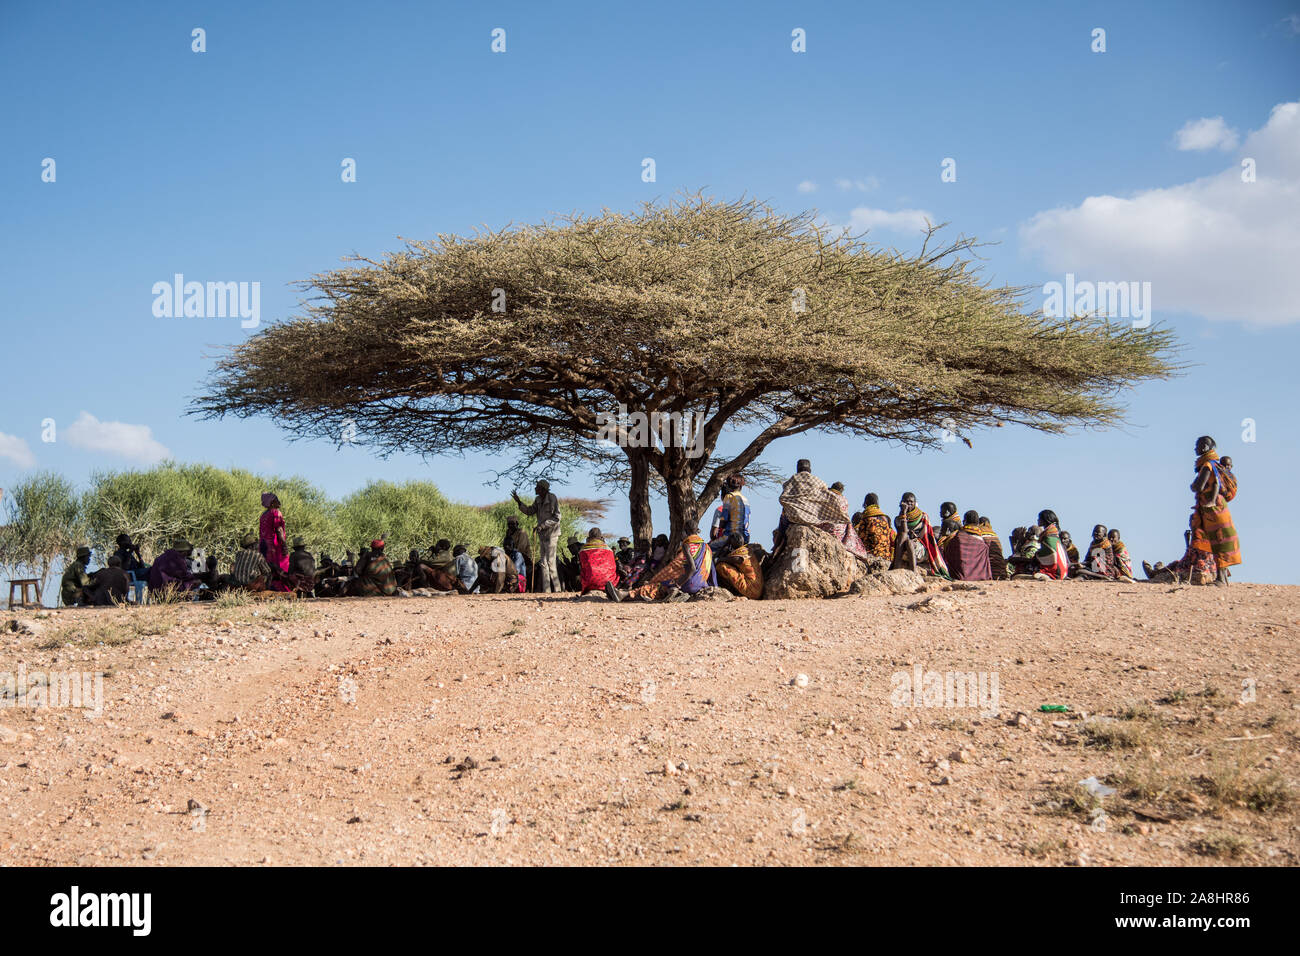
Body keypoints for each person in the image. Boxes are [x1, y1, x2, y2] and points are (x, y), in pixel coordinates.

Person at [775, 459, 870, 559]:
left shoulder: (792, 480)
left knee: (782, 519)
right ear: (810, 469)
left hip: (793, 519)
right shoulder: (817, 481)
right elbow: (824, 494)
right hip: (812, 520)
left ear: (797, 468)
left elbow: (783, 496)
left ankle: (777, 547)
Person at [605, 526, 715, 602]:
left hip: (687, 584)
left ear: (686, 532)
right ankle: (623, 594)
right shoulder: (707, 548)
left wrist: (662, 580)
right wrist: (714, 587)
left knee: (657, 586)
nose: (681, 536)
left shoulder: (688, 546)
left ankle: (624, 595)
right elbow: (712, 572)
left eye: (682, 532)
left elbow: (674, 567)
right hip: (701, 585)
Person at [1189, 435, 1240, 586]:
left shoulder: (1208, 465)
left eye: (1197, 445)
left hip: (1213, 510)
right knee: (1219, 541)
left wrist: (1192, 486)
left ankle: (1221, 580)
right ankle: (1222, 579)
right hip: (1219, 508)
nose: (1195, 448)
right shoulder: (1214, 465)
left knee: (1218, 541)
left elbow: (1198, 486)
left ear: (1205, 447)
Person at [513, 479, 561, 592]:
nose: (535, 489)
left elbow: (557, 517)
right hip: (542, 535)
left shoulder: (552, 498)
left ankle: (558, 590)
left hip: (552, 534)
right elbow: (530, 511)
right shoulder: (538, 499)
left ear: (543, 489)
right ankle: (547, 590)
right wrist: (519, 502)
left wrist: (542, 525)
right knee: (543, 563)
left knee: (550, 562)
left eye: (537, 487)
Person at [892, 493, 949, 578]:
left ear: (915, 503)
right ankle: (897, 567)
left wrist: (915, 537)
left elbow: (926, 537)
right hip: (904, 549)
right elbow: (903, 533)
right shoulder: (897, 519)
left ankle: (913, 570)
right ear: (902, 503)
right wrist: (903, 514)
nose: (909, 504)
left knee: (909, 542)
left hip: (921, 550)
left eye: (911, 502)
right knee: (904, 538)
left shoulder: (923, 517)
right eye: (906, 502)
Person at [942, 510, 992, 581]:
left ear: (964, 521)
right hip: (981, 577)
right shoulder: (982, 542)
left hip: (960, 577)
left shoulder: (957, 538)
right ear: (978, 523)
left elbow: (948, 556)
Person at [715, 532, 764, 599]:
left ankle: (733, 591)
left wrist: (725, 545)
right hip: (759, 589)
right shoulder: (747, 550)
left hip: (751, 590)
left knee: (721, 566)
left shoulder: (738, 555)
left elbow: (735, 559)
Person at [852, 493, 896, 562]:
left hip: (872, 554)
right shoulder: (884, 517)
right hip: (885, 555)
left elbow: (861, 537)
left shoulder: (866, 517)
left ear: (866, 503)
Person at [577, 528, 619, 594]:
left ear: (588, 538)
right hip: (608, 582)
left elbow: (583, 567)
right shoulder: (609, 550)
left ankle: (587, 589)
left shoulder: (583, 550)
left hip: (589, 583)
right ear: (601, 538)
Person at [1032, 510, 1071, 580]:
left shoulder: (1048, 538)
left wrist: (1036, 555)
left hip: (1054, 573)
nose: (1037, 520)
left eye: (1039, 518)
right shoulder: (1054, 536)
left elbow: (1045, 556)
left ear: (1045, 520)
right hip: (1063, 573)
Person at [259, 492, 290, 575]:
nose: (279, 502)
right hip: (275, 547)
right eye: (277, 500)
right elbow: (279, 529)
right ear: (272, 503)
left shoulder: (263, 515)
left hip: (263, 546)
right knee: (280, 569)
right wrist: (284, 545)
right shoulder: (275, 512)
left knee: (267, 569)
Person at [716, 475, 751, 547]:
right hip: (745, 538)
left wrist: (720, 529)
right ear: (741, 486)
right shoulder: (746, 500)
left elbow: (723, 520)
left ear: (728, 486)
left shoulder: (729, 496)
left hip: (731, 536)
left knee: (709, 549)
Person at [503, 516, 533, 592]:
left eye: (513, 524)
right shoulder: (508, 532)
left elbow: (521, 548)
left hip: (524, 555)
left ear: (517, 524)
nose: (511, 526)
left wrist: (511, 551)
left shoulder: (521, 532)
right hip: (511, 552)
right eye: (509, 524)